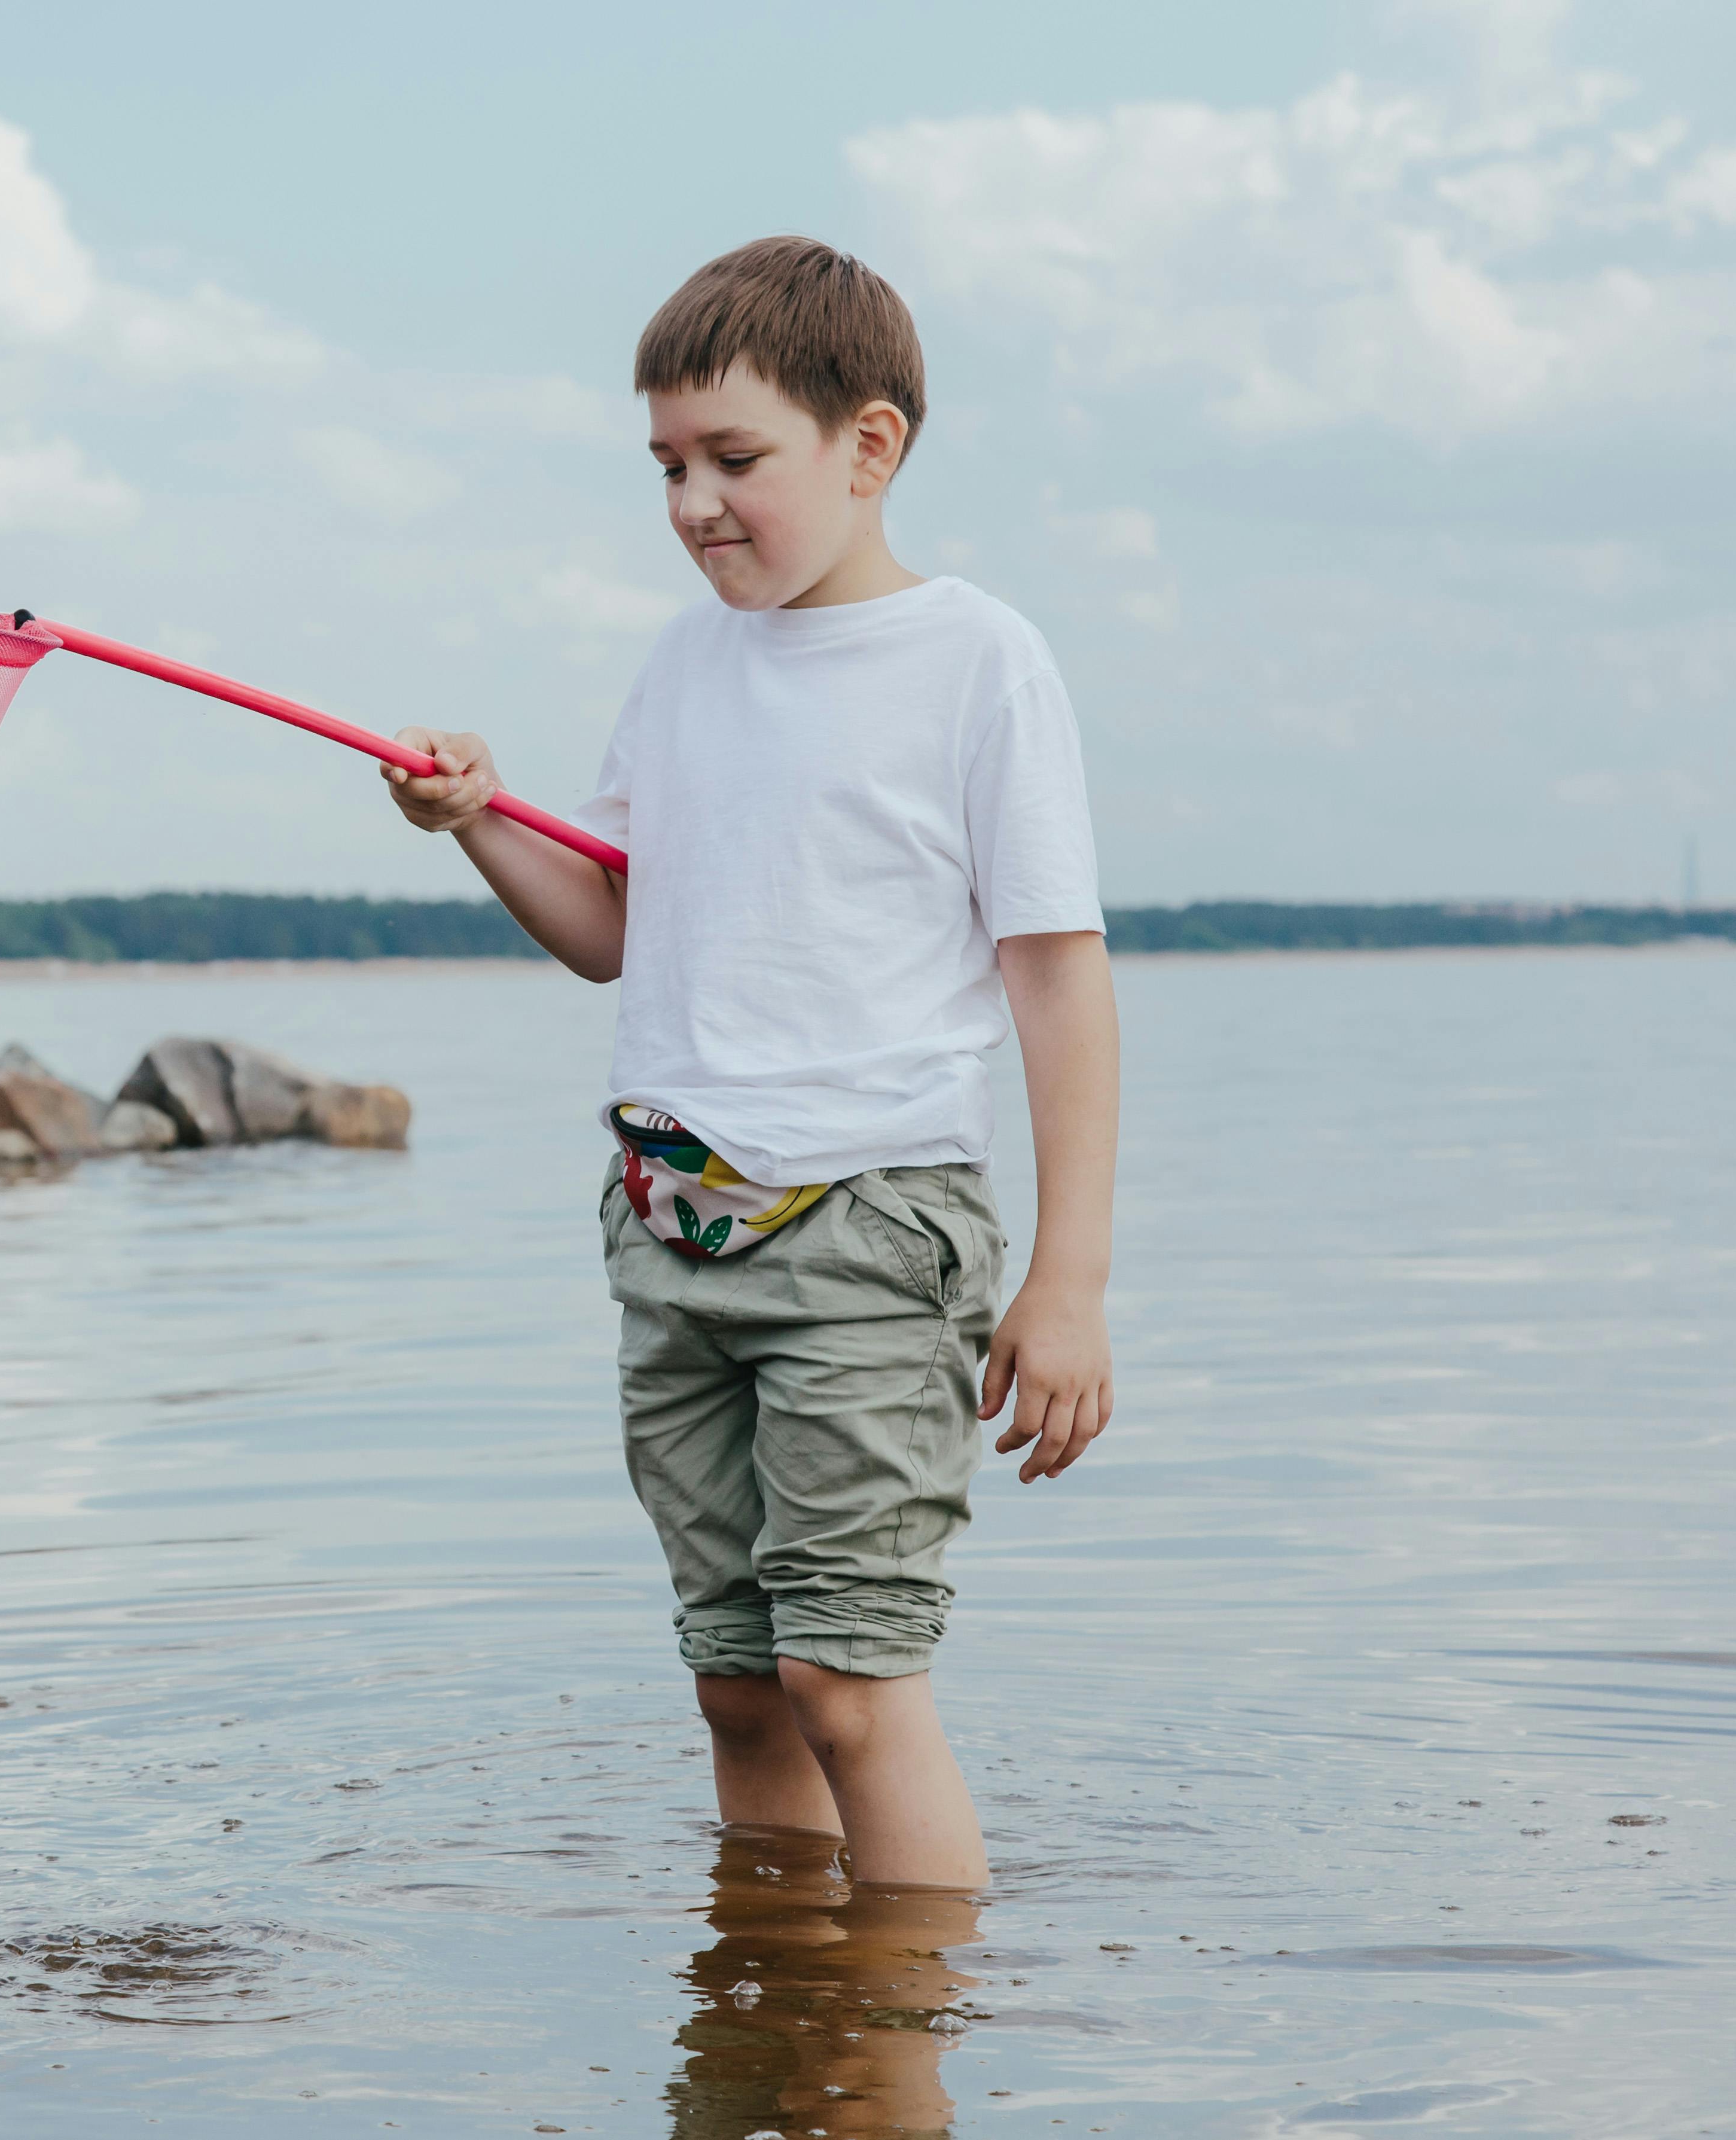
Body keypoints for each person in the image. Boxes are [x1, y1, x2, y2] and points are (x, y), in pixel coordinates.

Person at [383, 234, 1119, 1891]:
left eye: (734, 459)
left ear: (870, 448)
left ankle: (900, 2040)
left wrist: (1066, 1282)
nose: (693, 503)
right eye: (666, 465)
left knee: (848, 1682)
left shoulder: (976, 660)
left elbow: (1064, 991)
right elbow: (611, 926)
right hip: (670, 1228)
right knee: (739, 1684)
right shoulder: (683, 663)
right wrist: (477, 819)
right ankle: (781, 2009)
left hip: (868, 1228)